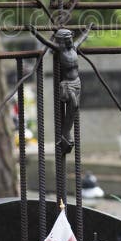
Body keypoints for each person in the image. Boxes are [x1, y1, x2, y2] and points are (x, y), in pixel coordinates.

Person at [29, 24, 92, 154]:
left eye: (70, 38)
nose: (69, 41)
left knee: (73, 110)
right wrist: (34, 32)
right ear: (61, 41)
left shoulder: (74, 48)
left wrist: (89, 28)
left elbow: (83, 38)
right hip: (67, 84)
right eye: (66, 39)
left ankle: (65, 136)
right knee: (73, 105)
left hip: (77, 83)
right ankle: (66, 134)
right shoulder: (61, 50)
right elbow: (46, 42)